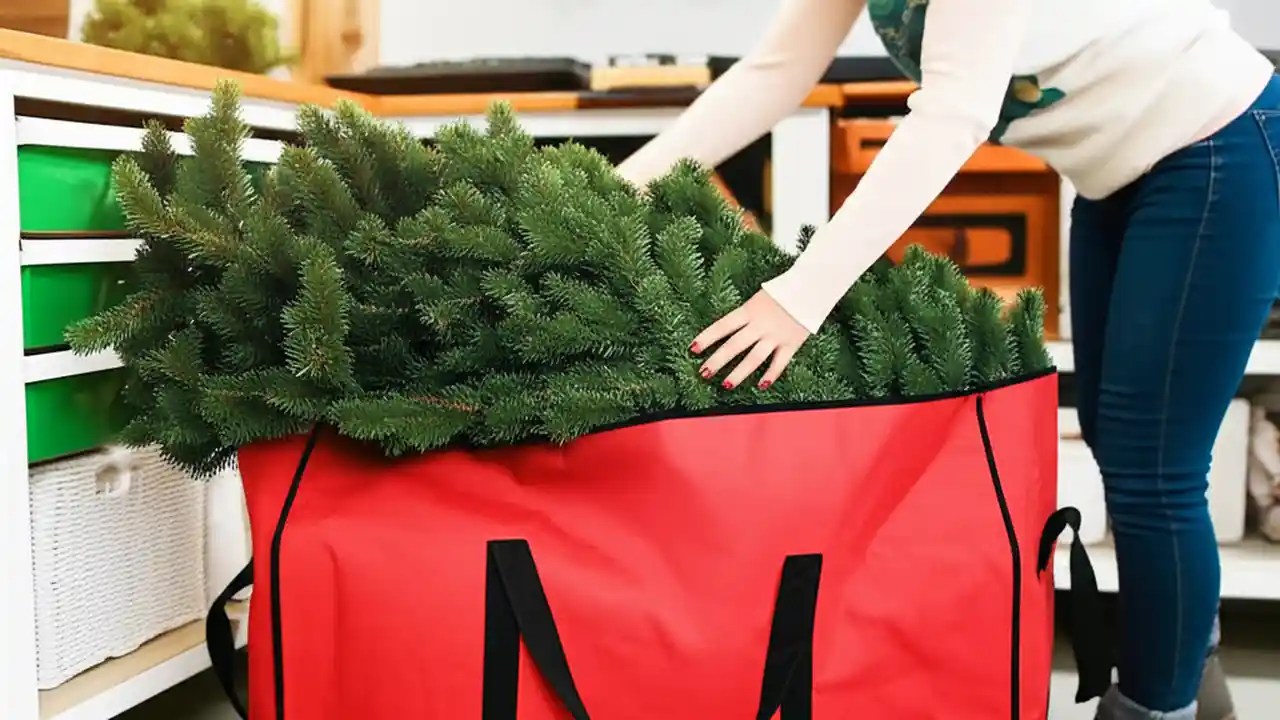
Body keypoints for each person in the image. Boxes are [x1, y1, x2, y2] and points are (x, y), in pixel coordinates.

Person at [616, 1, 1279, 718]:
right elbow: (774, 73)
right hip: (1117, 176)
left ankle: (1157, 704)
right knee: (1121, 443)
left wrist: (801, 296)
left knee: (1155, 471)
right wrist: (612, 191)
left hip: (1215, 149)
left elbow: (954, 113)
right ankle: (1191, 668)